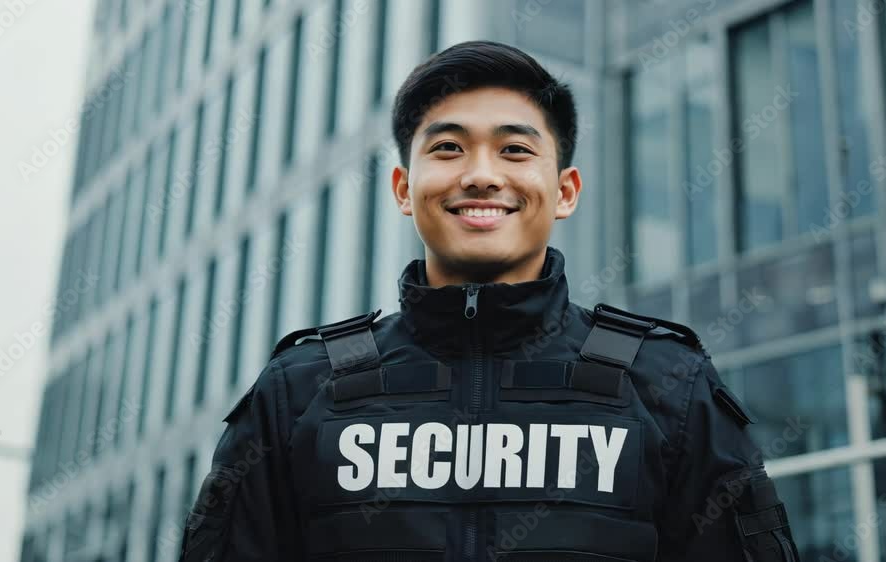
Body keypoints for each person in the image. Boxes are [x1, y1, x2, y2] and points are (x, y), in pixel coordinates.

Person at [178, 40, 802, 562]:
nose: (481, 174)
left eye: (515, 150)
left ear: (565, 191)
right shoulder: (298, 389)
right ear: (404, 188)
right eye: (448, 148)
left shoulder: (669, 383)